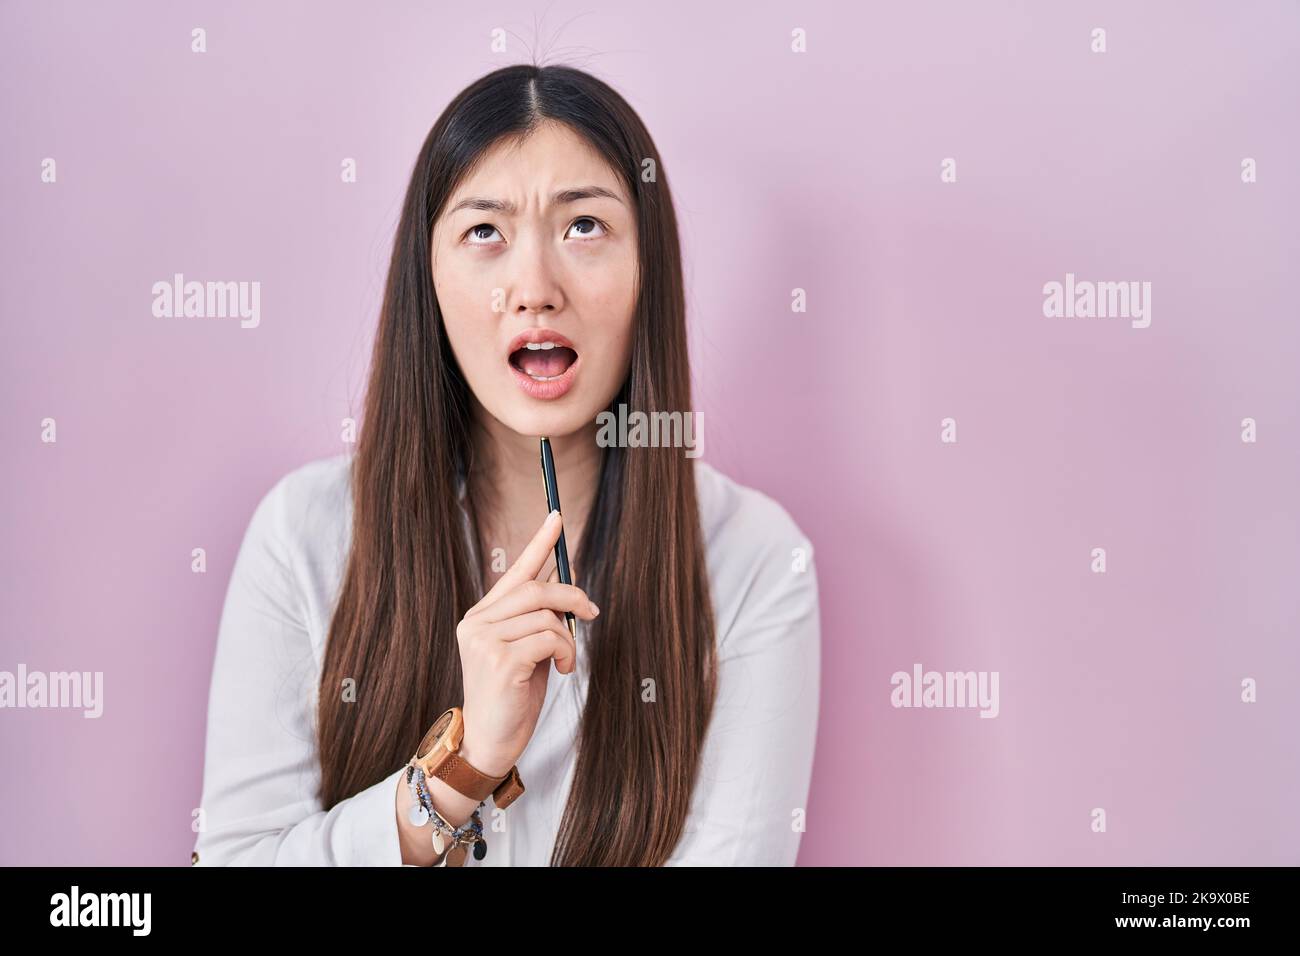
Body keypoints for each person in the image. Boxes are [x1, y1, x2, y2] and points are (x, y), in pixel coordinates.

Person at [191, 63, 820, 866]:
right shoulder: (303, 534)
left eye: (584, 226)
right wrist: (464, 766)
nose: (533, 288)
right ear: (432, 278)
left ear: (648, 273)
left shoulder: (756, 561)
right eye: (484, 231)